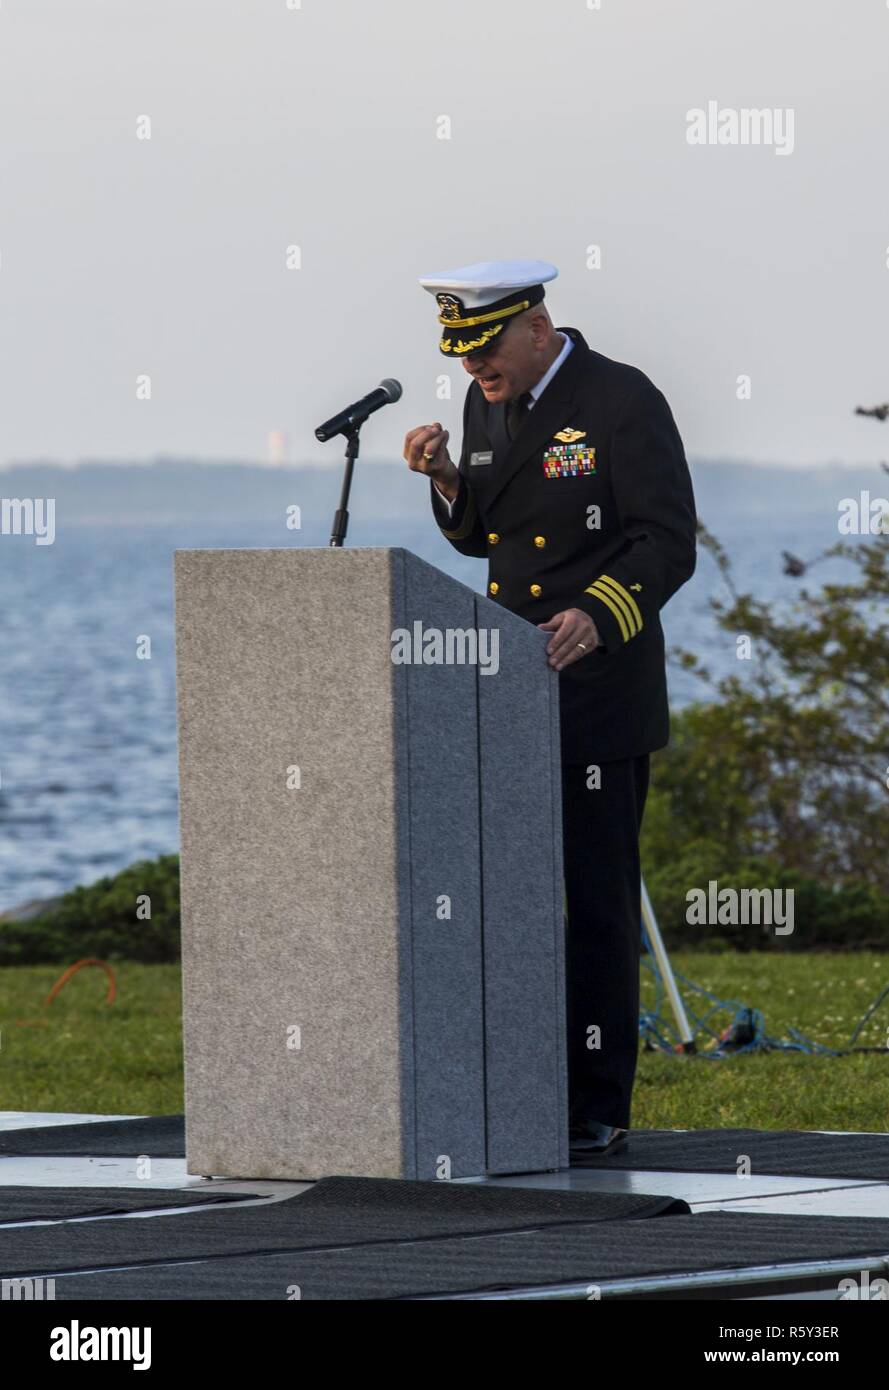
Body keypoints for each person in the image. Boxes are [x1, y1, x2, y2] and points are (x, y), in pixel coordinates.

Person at [403, 259, 697, 1158]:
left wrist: (600, 614)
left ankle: (594, 1105)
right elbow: (486, 534)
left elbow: (666, 538)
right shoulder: (487, 403)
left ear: (536, 327)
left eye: (484, 351)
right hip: (507, 687)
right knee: (509, 900)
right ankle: (516, 1088)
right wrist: (449, 478)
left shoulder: (622, 399)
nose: (471, 372)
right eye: (460, 356)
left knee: (595, 905)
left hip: (598, 691)